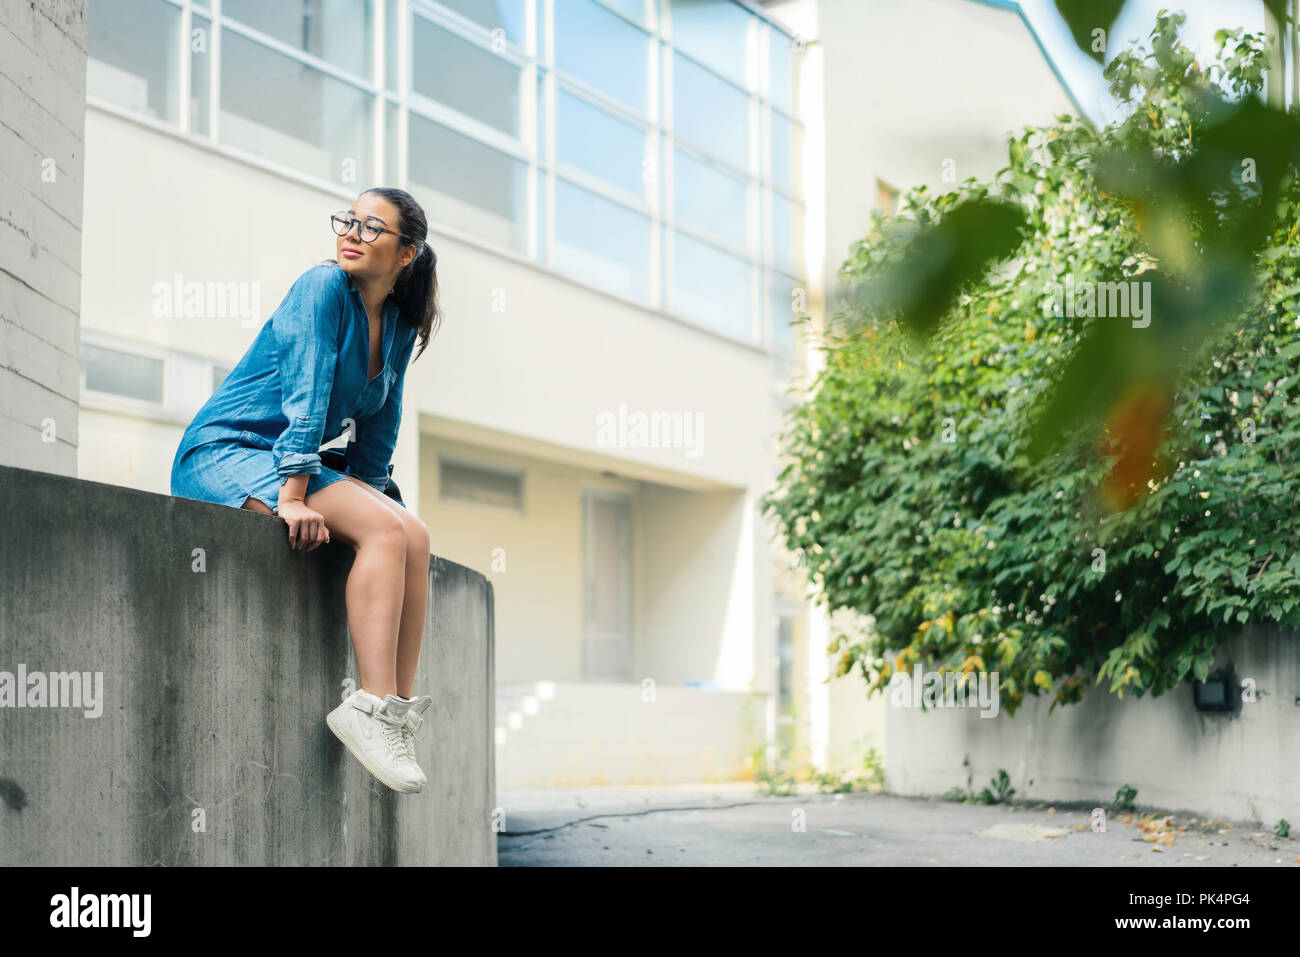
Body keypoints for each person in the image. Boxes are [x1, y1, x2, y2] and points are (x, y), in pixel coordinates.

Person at [170, 187, 443, 794]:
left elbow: (379, 429)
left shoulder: (397, 326)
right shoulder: (321, 288)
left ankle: (394, 710)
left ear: (407, 253)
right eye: (348, 220)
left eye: (372, 227)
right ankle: (368, 706)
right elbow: (308, 389)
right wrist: (293, 495)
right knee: (382, 528)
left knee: (411, 533)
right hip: (228, 450)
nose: (351, 232)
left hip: (290, 460)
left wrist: (370, 496)